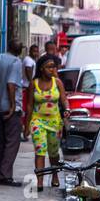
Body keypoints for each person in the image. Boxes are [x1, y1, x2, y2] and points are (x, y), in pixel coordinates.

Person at [25, 55, 66, 191]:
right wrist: (26, 126)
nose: (52, 69)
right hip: (38, 121)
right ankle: (40, 181)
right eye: (49, 67)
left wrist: (67, 109)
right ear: (42, 68)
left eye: (53, 67)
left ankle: (54, 175)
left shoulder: (58, 83)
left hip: (55, 122)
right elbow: (30, 106)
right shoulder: (34, 83)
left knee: (53, 152)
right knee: (40, 150)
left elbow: (64, 100)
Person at [0, 41, 27, 185]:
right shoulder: (16, 62)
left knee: (4, 142)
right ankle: (5, 175)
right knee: (12, 142)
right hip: (10, 108)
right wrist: (13, 106)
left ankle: (3, 174)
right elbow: (11, 84)